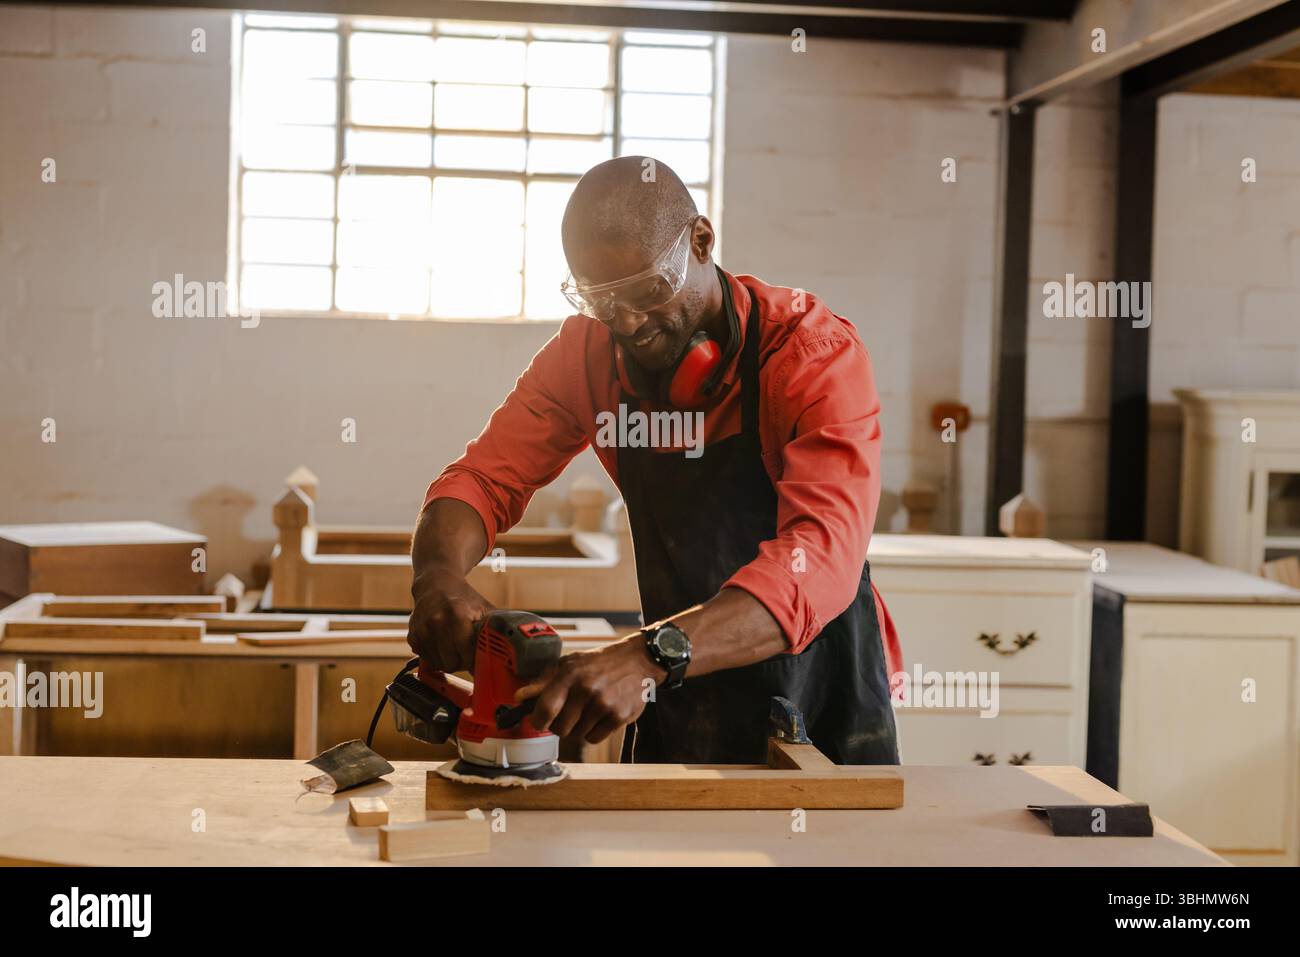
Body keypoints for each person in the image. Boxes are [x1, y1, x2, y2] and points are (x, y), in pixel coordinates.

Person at [408, 156, 901, 765]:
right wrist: (437, 578)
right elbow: (482, 480)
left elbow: (820, 559)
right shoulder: (586, 357)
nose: (631, 323)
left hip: (821, 686)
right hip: (676, 679)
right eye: (601, 300)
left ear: (700, 241)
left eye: (648, 290)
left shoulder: (810, 355)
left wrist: (646, 656)